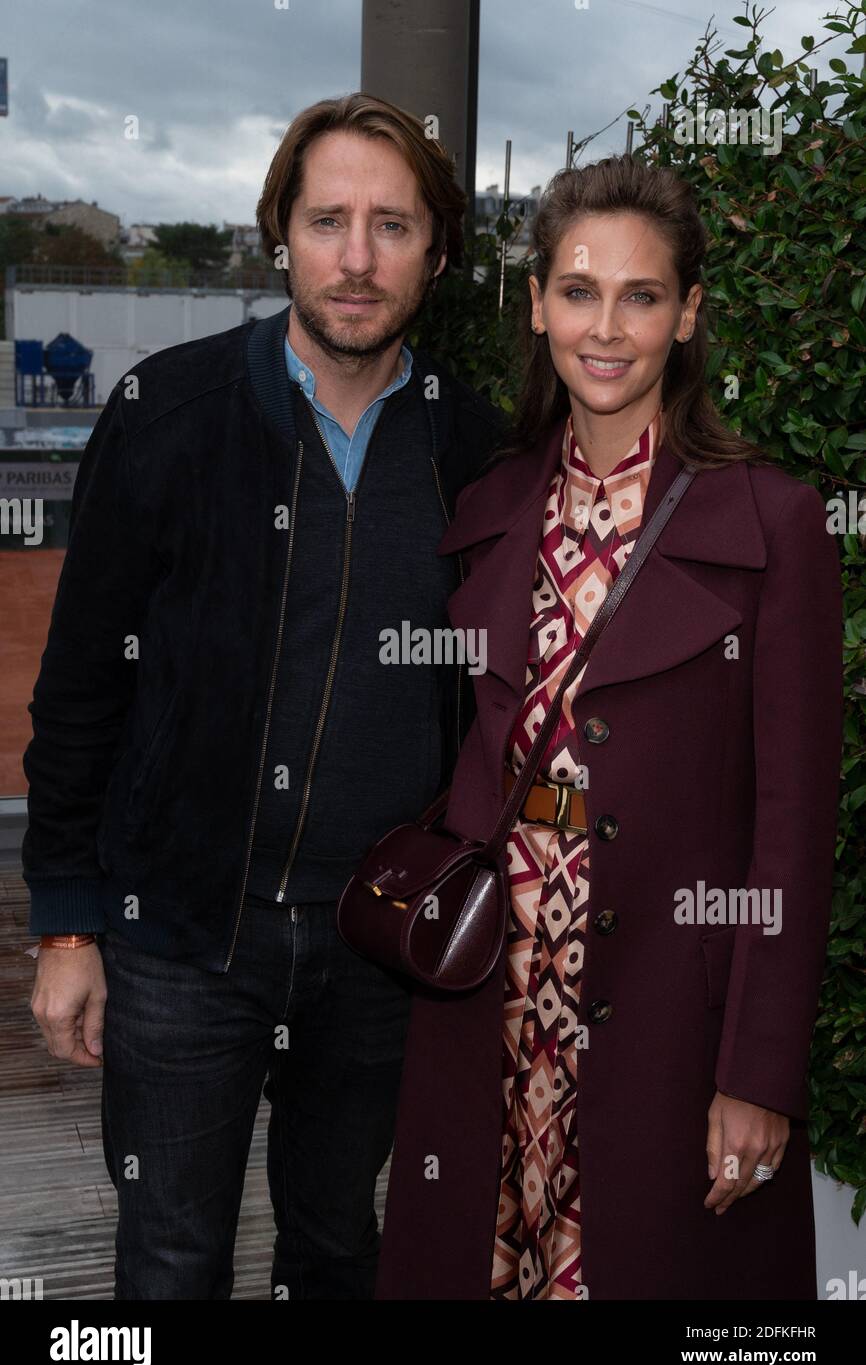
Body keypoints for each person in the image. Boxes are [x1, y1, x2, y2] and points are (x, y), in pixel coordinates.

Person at [23, 92, 504, 1300]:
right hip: (182, 936)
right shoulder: (166, 417)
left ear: (436, 254)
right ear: (277, 233)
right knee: (170, 1264)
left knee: (338, 1252)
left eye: (391, 226)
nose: (356, 258)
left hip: (377, 946)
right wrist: (70, 921)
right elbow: (80, 688)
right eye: (328, 219)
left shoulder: (474, 450)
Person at [374, 154, 843, 1301]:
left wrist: (757, 1073)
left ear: (686, 316)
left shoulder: (773, 525)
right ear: (535, 306)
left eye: (640, 296)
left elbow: (788, 833)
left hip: (666, 1032)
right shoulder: (485, 508)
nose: (605, 326)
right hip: (488, 1013)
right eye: (578, 290)